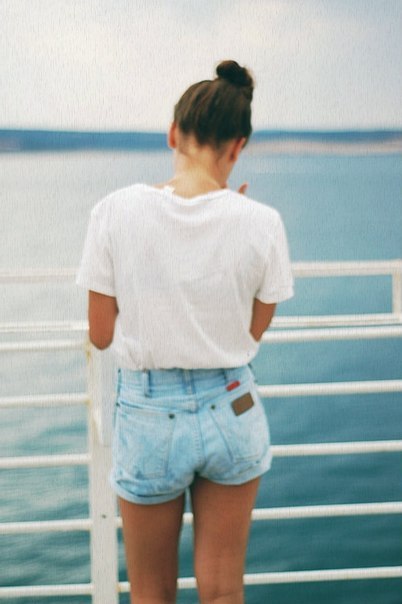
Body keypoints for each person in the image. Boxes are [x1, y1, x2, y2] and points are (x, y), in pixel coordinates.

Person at [76, 60, 294, 604]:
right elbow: (250, 333)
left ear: (173, 132)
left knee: (152, 594)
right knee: (222, 592)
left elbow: (100, 335)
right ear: (238, 147)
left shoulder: (113, 212)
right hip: (232, 406)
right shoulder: (262, 222)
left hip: (149, 415)